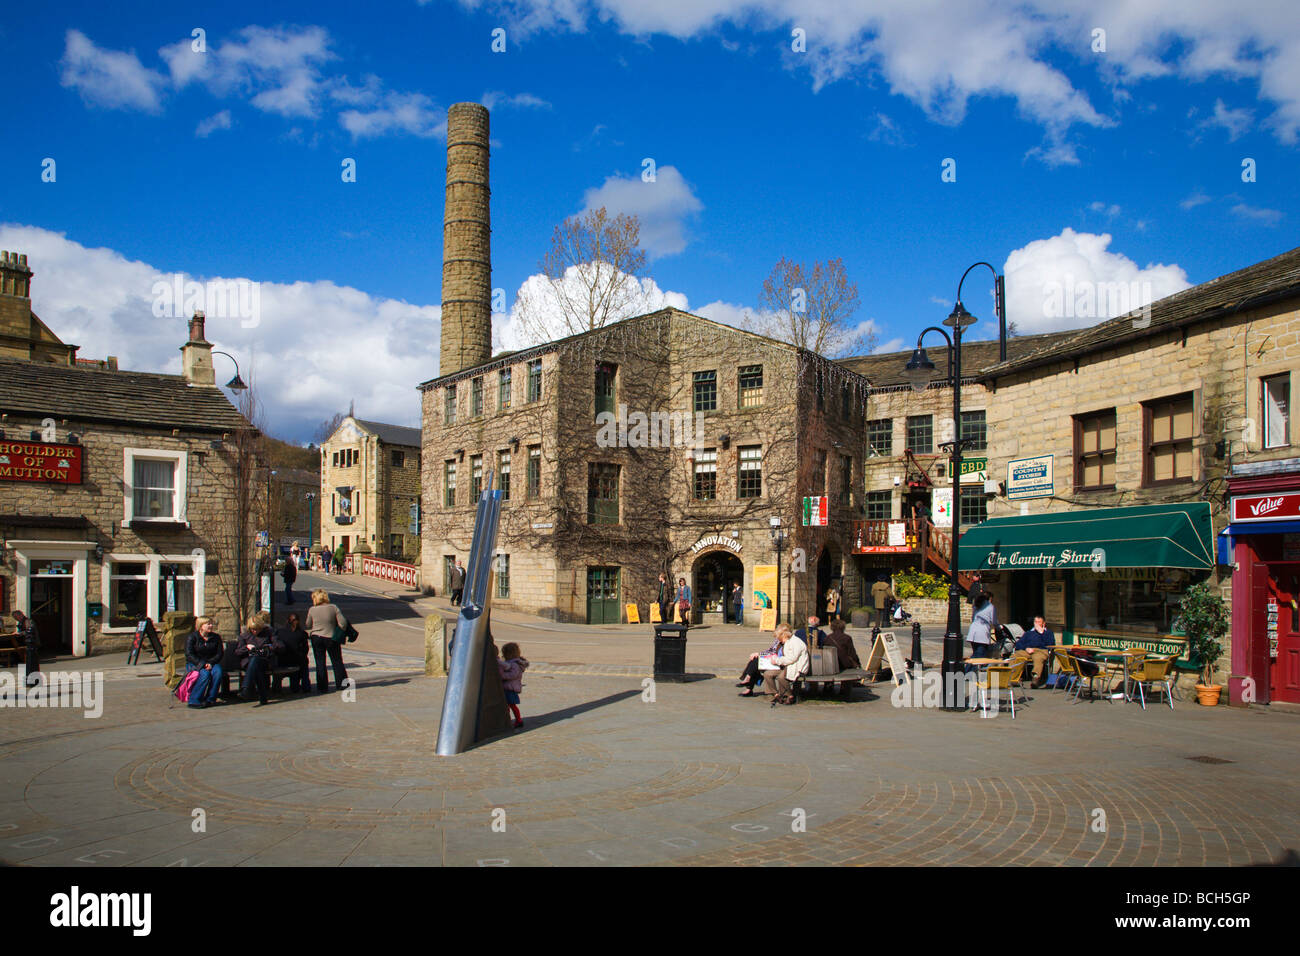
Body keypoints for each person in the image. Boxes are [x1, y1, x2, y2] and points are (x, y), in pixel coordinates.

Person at [305, 588, 350, 693]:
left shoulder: (312, 609)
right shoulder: (333, 607)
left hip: (316, 637)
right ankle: (342, 684)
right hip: (331, 637)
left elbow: (307, 624)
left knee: (320, 662)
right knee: (337, 660)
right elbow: (343, 623)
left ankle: (322, 686)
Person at [234, 611, 275, 705]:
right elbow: (237, 651)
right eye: (253, 629)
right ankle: (262, 696)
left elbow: (278, 646)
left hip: (264, 660)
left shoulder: (268, 633)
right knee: (255, 665)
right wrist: (246, 648)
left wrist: (268, 647)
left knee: (255, 660)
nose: (255, 631)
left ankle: (246, 688)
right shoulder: (244, 636)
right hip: (248, 661)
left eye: (257, 629)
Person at [184, 616, 225, 707]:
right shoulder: (192, 637)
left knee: (218, 672)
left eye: (211, 624)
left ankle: (210, 699)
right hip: (195, 663)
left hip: (211, 662)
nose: (211, 626)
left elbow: (219, 654)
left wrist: (210, 663)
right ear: (201, 626)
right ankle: (194, 700)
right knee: (204, 674)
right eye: (208, 624)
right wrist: (203, 664)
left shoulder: (216, 637)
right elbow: (189, 654)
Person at [767, 623, 810, 706]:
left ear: (784, 635)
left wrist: (777, 660)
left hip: (796, 667)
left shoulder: (796, 642)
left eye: (779, 638)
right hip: (788, 665)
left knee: (781, 677)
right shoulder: (787, 642)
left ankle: (789, 695)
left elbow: (791, 658)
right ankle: (775, 694)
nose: (779, 640)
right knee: (767, 674)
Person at [1013, 615, 1056, 688]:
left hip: (1041, 651)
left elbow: (1050, 644)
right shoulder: (1029, 633)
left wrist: (1042, 633)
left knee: (1038, 658)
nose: (1037, 624)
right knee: (1016, 655)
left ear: (1043, 623)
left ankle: (1036, 678)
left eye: (1039, 622)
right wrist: (1026, 648)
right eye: (1035, 622)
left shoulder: (1048, 633)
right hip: (1028, 650)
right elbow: (1019, 644)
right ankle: (1013, 678)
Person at [273, 612, 312, 693]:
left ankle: (277, 686)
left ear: (287, 621)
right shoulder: (302, 634)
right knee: (304, 661)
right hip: (297, 661)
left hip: (282, 660)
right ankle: (305, 686)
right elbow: (305, 650)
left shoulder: (279, 632)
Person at [737, 631, 784, 696]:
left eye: (778, 635)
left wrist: (759, 654)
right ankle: (748, 681)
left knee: (756, 662)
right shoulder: (778, 640)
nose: (776, 637)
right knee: (754, 660)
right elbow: (770, 650)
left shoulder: (785, 643)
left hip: (778, 662)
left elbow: (775, 654)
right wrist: (758, 654)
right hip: (772, 659)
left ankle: (748, 684)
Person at [498, 642, 530, 729]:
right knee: (507, 706)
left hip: (510, 688)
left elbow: (513, 675)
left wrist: (503, 676)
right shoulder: (511, 663)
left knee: (512, 705)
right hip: (508, 687)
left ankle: (519, 720)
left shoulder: (515, 664)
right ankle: (507, 720)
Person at [11, 609, 40, 687]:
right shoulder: (23, 622)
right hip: (28, 645)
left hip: (32, 645)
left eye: (16, 617)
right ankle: (30, 681)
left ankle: (33, 682)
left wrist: (20, 633)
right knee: (29, 664)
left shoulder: (27, 621)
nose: (16, 619)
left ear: (20, 615)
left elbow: (30, 631)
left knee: (32, 664)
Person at [966, 592, 998, 659]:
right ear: (990, 598)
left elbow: (973, 618)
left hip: (973, 631)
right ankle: (968, 669)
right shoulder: (990, 606)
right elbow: (994, 621)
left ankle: (969, 669)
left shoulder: (976, 605)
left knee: (975, 653)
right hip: (982, 633)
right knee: (980, 655)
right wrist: (999, 628)